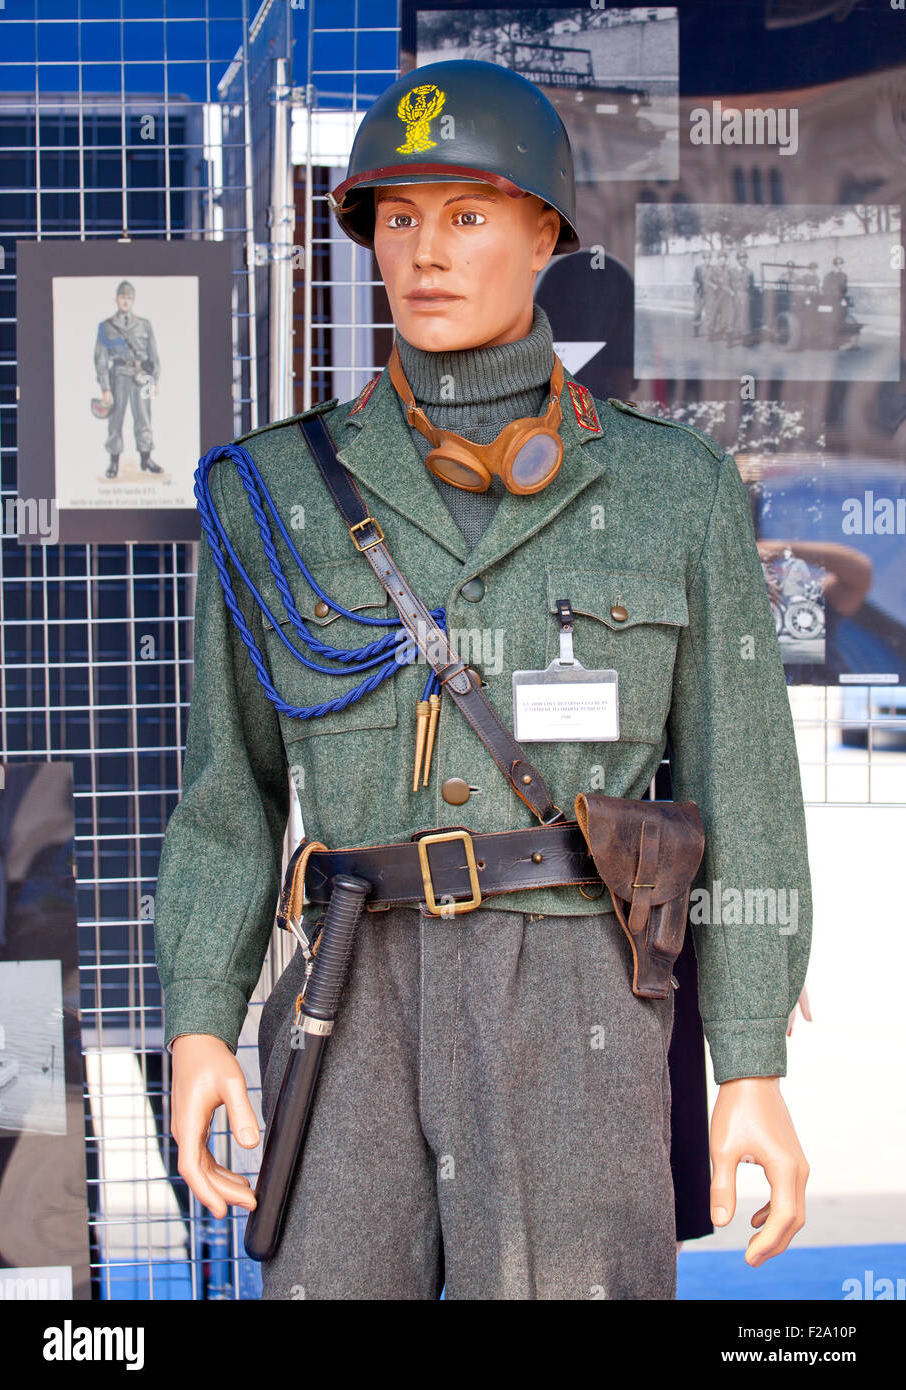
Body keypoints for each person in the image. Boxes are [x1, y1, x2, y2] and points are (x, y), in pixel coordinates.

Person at [154, 59, 812, 1300]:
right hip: (346, 988)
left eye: (465, 213)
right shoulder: (271, 491)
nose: (425, 252)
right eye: (397, 218)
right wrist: (199, 1016)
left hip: (574, 994)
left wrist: (749, 1057)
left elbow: (747, 787)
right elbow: (226, 797)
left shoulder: (672, 489)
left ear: (544, 232)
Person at [93, 280, 163, 478]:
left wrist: (154, 380)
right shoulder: (106, 326)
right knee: (115, 420)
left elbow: (153, 355)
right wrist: (105, 388)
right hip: (118, 376)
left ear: (133, 300)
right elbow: (100, 358)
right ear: (117, 299)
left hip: (141, 377)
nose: (126, 301)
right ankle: (114, 462)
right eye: (123, 297)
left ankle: (146, 459)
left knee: (144, 418)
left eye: (129, 298)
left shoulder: (144, 325)